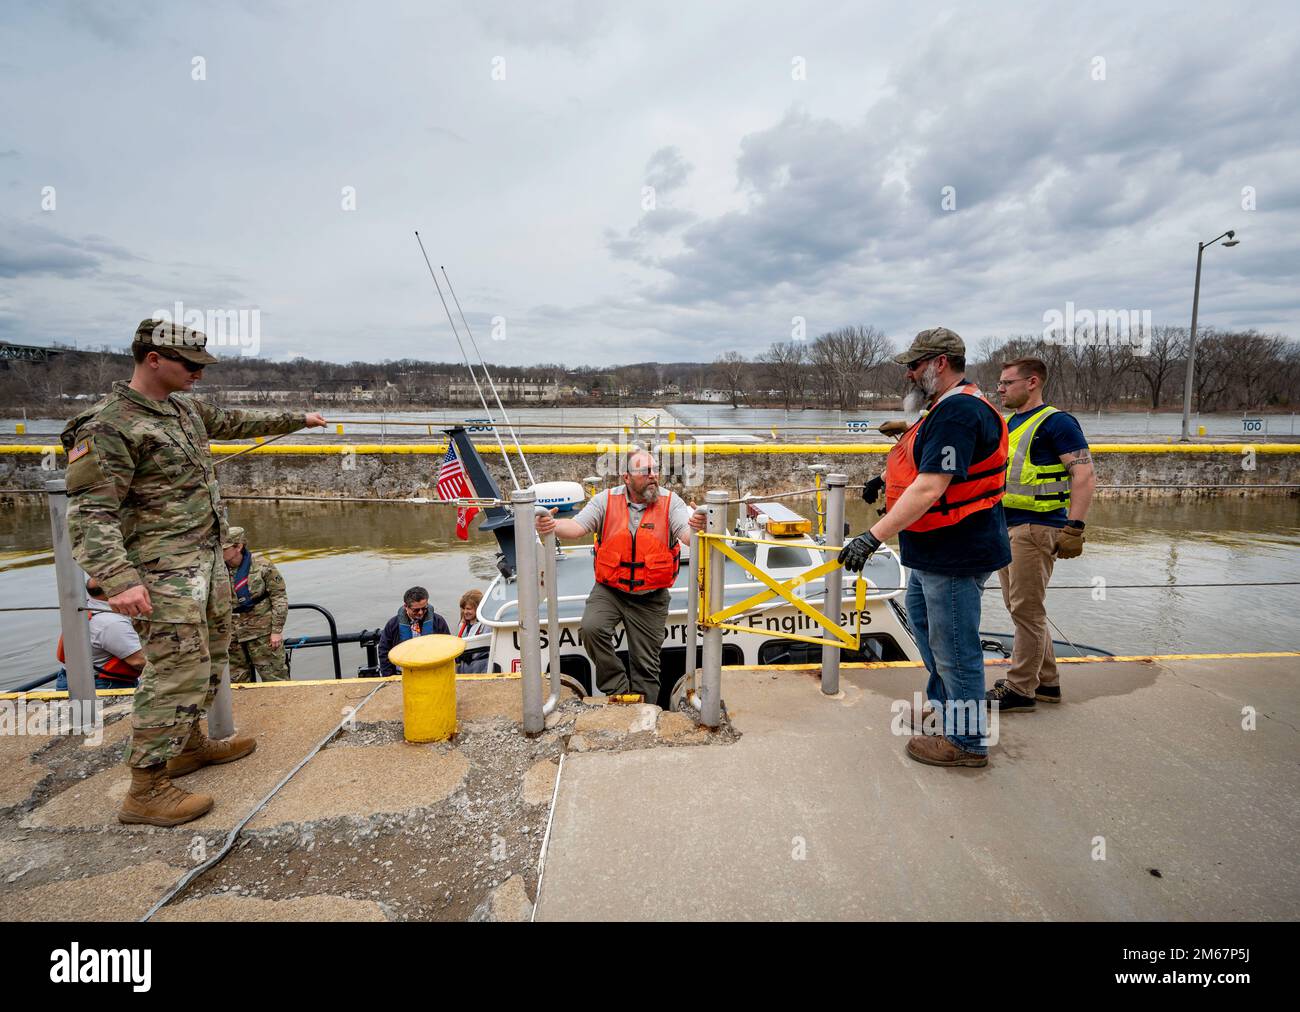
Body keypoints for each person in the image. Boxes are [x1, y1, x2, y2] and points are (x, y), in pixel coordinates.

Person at [61, 317, 326, 826]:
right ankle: (146, 788)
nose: (199, 374)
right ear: (152, 359)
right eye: (190, 365)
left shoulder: (183, 409)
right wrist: (118, 579)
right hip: (160, 574)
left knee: (210, 658)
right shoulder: (108, 425)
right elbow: (92, 512)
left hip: (204, 565)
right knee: (173, 670)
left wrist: (300, 418)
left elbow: (234, 423)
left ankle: (187, 746)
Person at [839, 327, 1010, 768]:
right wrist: (885, 479)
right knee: (931, 636)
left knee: (955, 647)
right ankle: (948, 711)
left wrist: (872, 536)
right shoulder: (943, 409)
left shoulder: (957, 412)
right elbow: (925, 466)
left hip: (956, 552)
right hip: (936, 551)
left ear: (939, 363)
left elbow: (933, 486)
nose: (908, 374)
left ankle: (968, 741)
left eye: (914, 366)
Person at [535, 447, 706, 703]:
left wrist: (699, 525)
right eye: (645, 471)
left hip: (651, 597)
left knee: (646, 666)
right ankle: (617, 688)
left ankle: (645, 712)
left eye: (655, 470)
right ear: (627, 477)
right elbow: (579, 526)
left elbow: (685, 534)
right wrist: (552, 525)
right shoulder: (605, 500)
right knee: (591, 629)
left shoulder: (672, 502)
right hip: (610, 591)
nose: (653, 476)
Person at [987, 357, 1095, 712]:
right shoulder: (1010, 423)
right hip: (1010, 527)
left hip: (1036, 528)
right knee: (1022, 609)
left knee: (1027, 612)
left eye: (1007, 383)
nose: (1000, 389)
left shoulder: (1057, 423)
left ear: (1032, 382)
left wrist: (1074, 528)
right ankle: (1046, 683)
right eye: (1000, 383)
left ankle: (1020, 690)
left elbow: (1084, 475)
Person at [223, 526, 290, 683]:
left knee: (275, 679)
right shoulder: (216, 570)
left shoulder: (262, 566)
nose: (219, 551)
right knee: (237, 683)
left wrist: (277, 631)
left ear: (238, 547)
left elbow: (279, 597)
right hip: (231, 637)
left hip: (262, 633)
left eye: (224, 548)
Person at [55, 577, 145, 690]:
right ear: (114, 590)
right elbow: (139, 661)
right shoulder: (111, 623)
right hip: (102, 685)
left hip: (71, 679)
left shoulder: (85, 607)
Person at [378, 586, 451, 677]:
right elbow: (384, 651)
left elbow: (447, 648)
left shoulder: (438, 621)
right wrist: (389, 677)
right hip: (402, 674)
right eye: (416, 610)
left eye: (424, 608)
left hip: (431, 673)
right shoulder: (392, 624)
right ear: (406, 607)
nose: (420, 612)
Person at [455, 589, 489, 674]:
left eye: (468, 609)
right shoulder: (463, 624)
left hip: (480, 665)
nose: (465, 612)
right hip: (463, 665)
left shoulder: (486, 625)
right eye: (463, 608)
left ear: (478, 608)